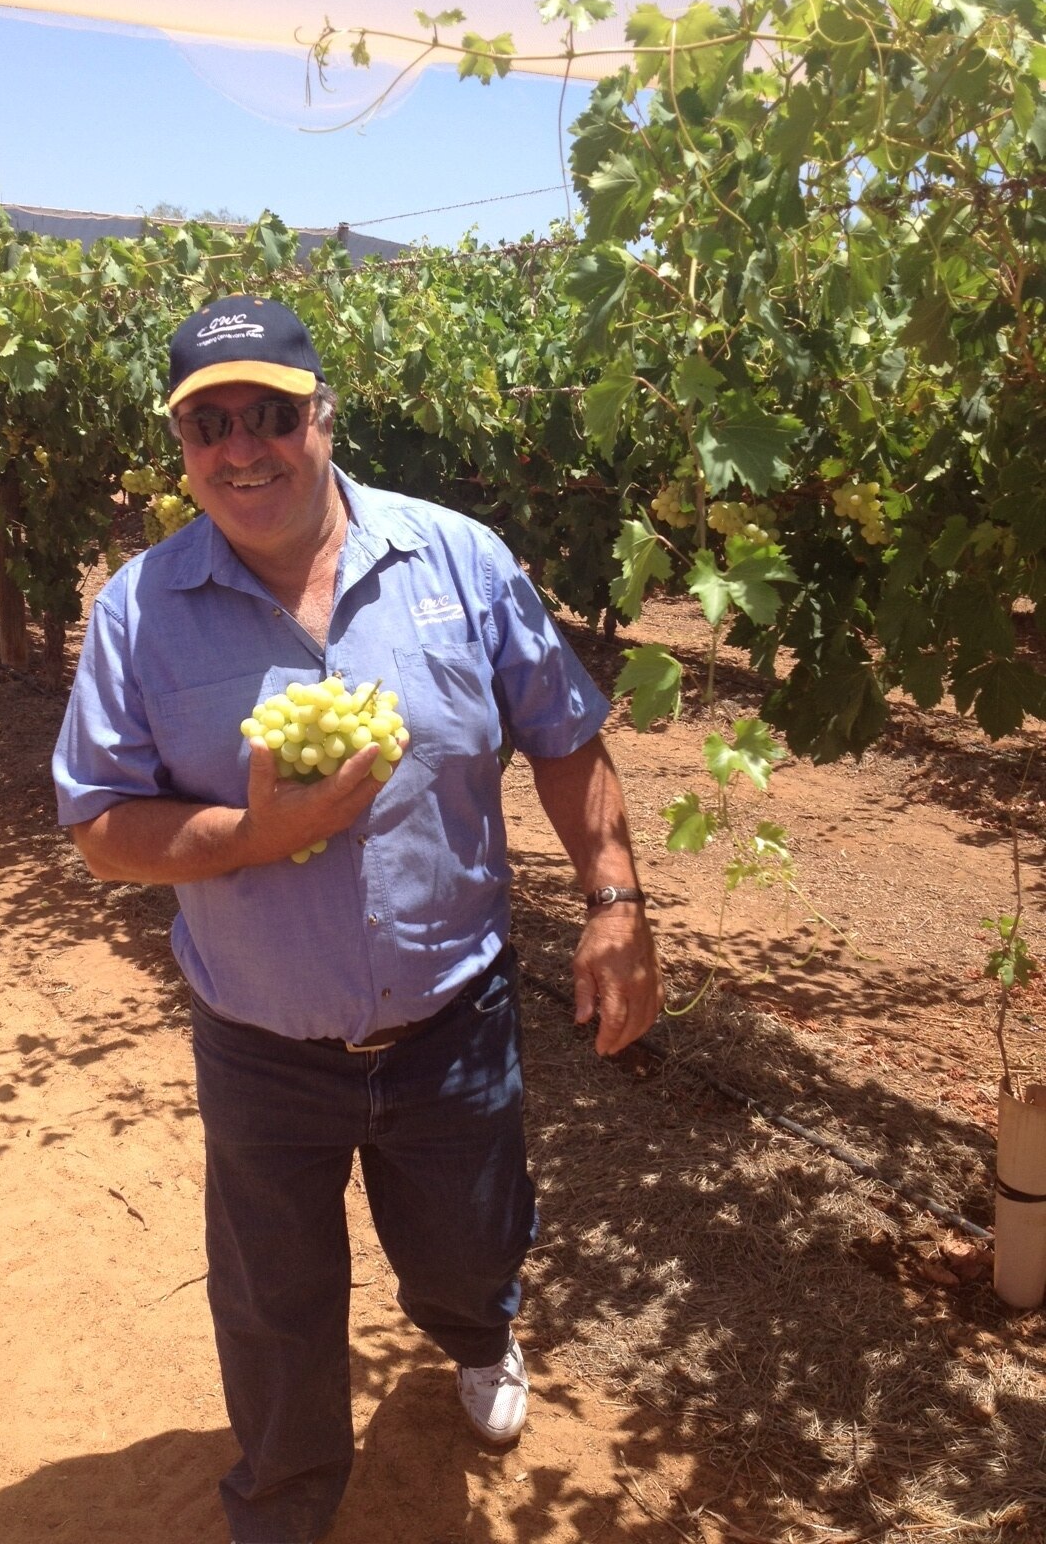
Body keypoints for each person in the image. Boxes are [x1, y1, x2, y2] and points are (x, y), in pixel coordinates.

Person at [52, 295, 664, 1543]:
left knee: (466, 1249)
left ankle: (475, 1331)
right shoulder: (139, 609)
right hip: (261, 1042)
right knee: (276, 1306)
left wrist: (615, 900)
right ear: (183, 448)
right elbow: (101, 823)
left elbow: (564, 735)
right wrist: (252, 838)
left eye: (269, 413)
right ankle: (283, 1501)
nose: (241, 448)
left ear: (322, 416)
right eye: (207, 424)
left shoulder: (462, 560)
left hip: (454, 1025)